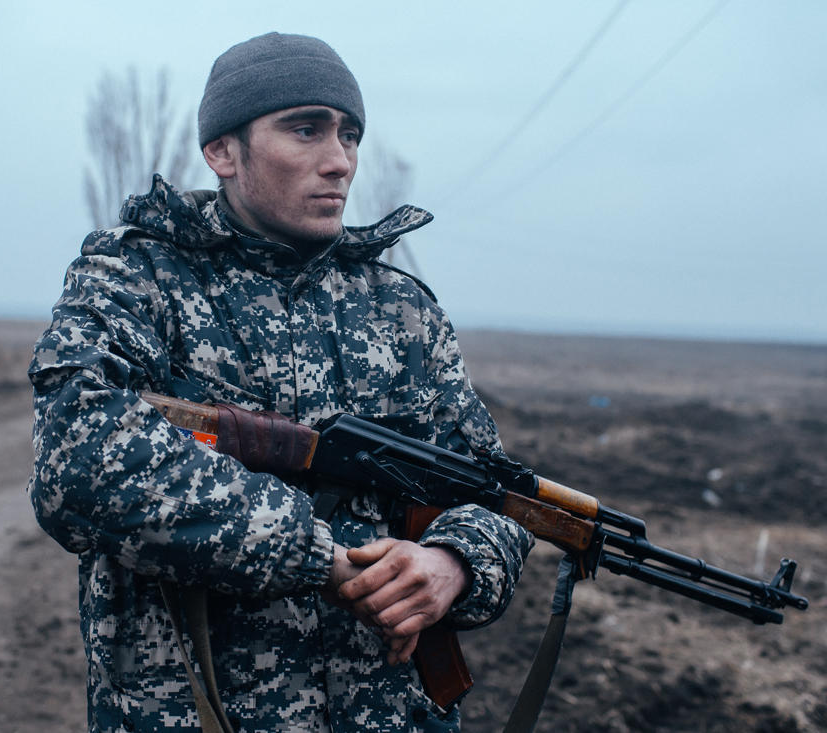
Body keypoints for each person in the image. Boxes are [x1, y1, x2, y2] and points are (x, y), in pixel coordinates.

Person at [28, 32, 533, 733]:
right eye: (305, 130)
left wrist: (455, 563)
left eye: (349, 134)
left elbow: (494, 493)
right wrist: (319, 558)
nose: (340, 160)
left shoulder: (402, 310)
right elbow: (78, 466)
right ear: (223, 153)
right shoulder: (135, 279)